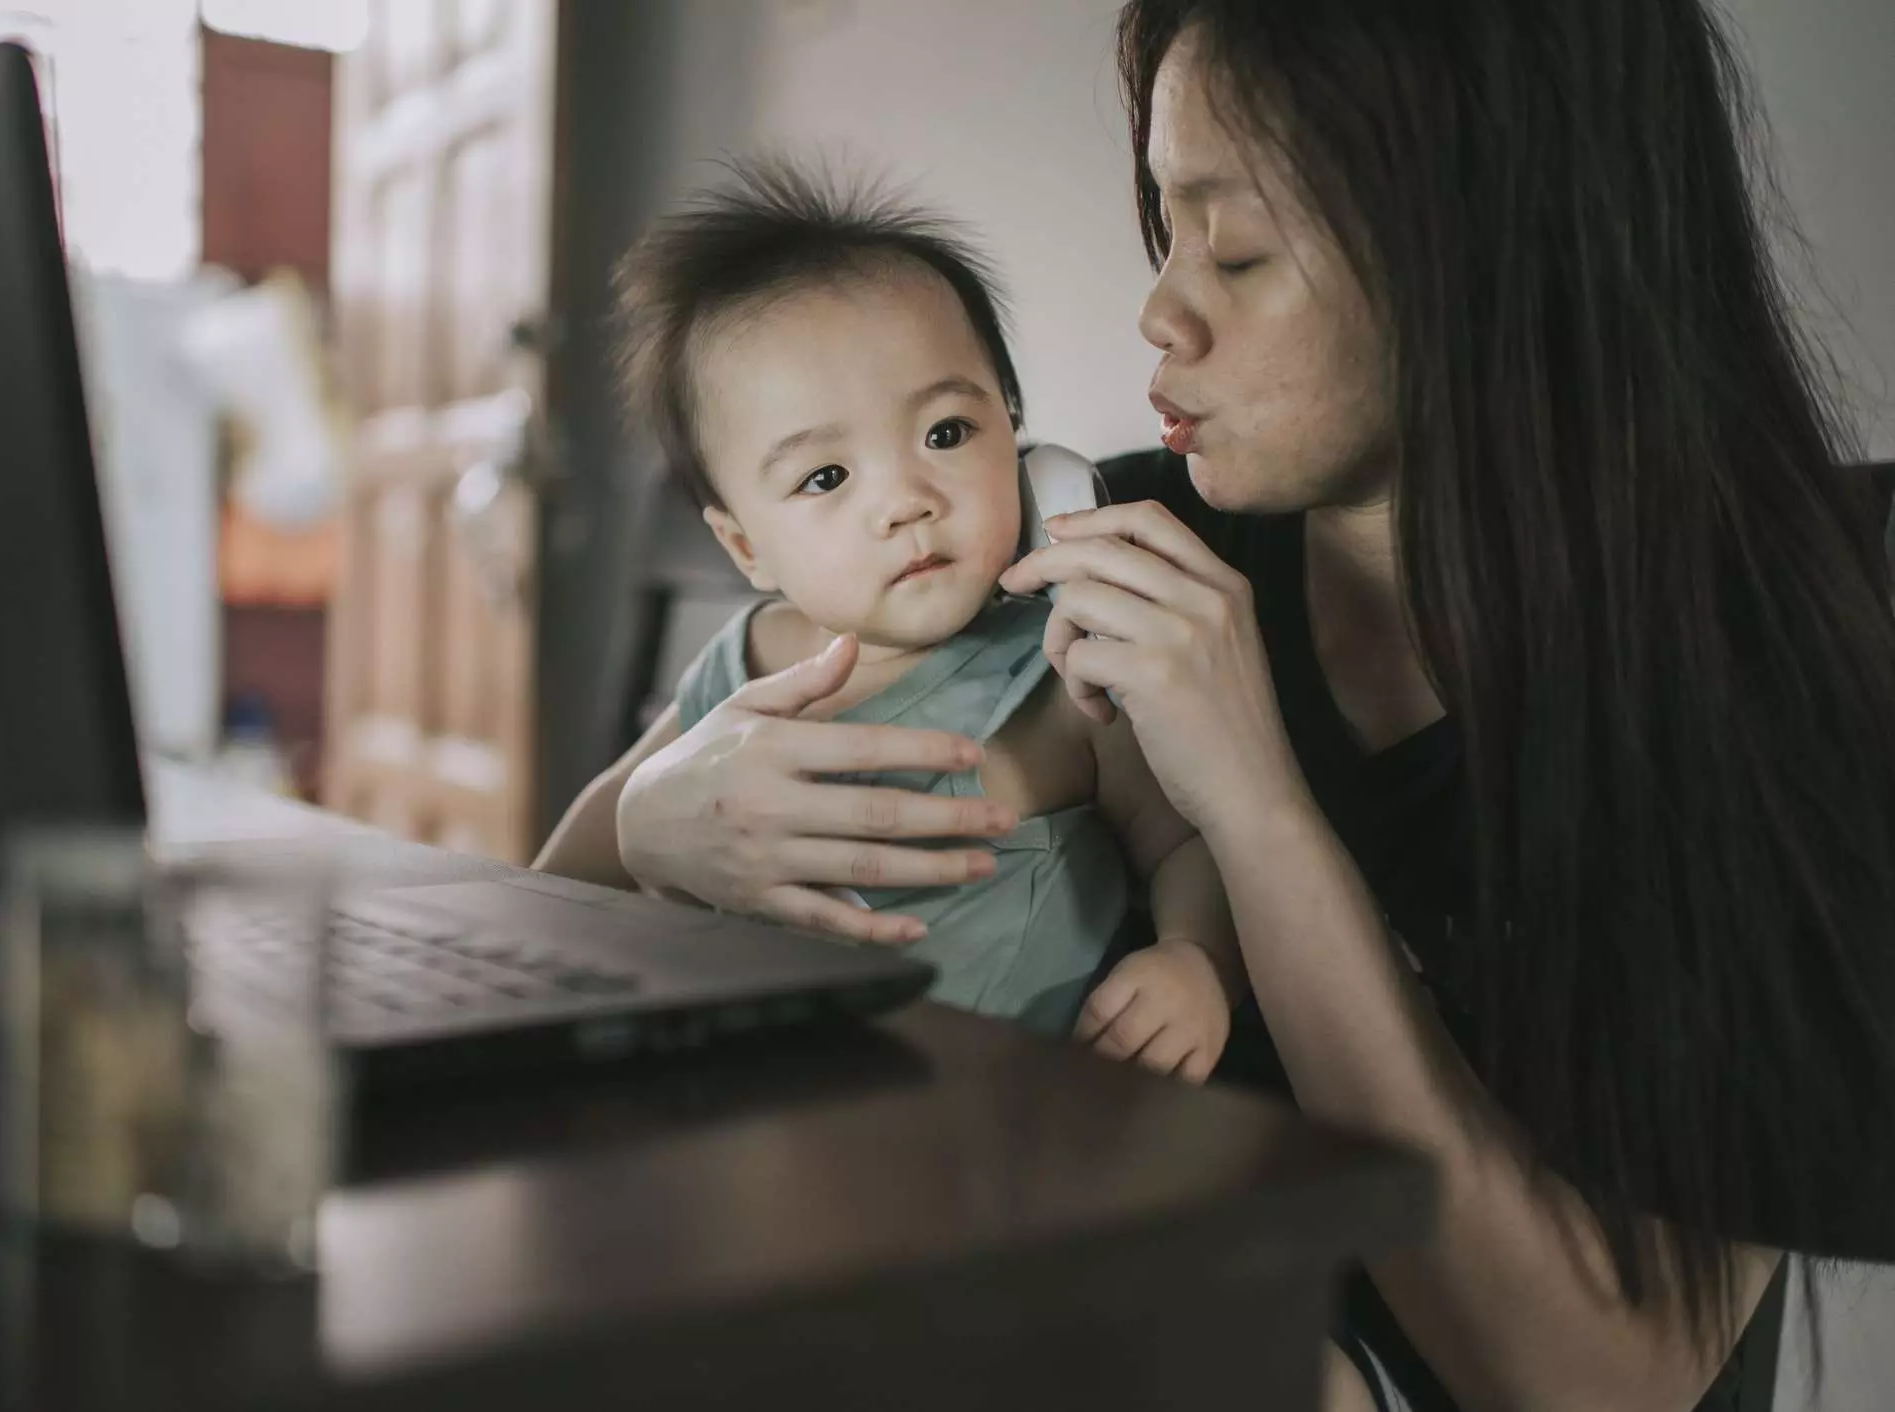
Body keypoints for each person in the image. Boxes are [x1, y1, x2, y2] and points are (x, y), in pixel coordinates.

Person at [597, 3, 1895, 1409]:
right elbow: (597, 849)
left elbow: (1599, 1384)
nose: (1159, 308)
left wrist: (1257, 810)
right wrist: (656, 814)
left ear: (1485, 250)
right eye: (1163, 222)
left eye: (1237, 245)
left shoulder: (1781, 652)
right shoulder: (1124, 543)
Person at [537, 161, 1243, 1070]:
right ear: (746, 547)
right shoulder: (745, 666)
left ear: (1016, 432)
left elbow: (1191, 840)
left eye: (946, 433)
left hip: (982, 1137)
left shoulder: (1070, 668)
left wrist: (1196, 965)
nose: (907, 500)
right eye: (825, 477)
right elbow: (570, 873)